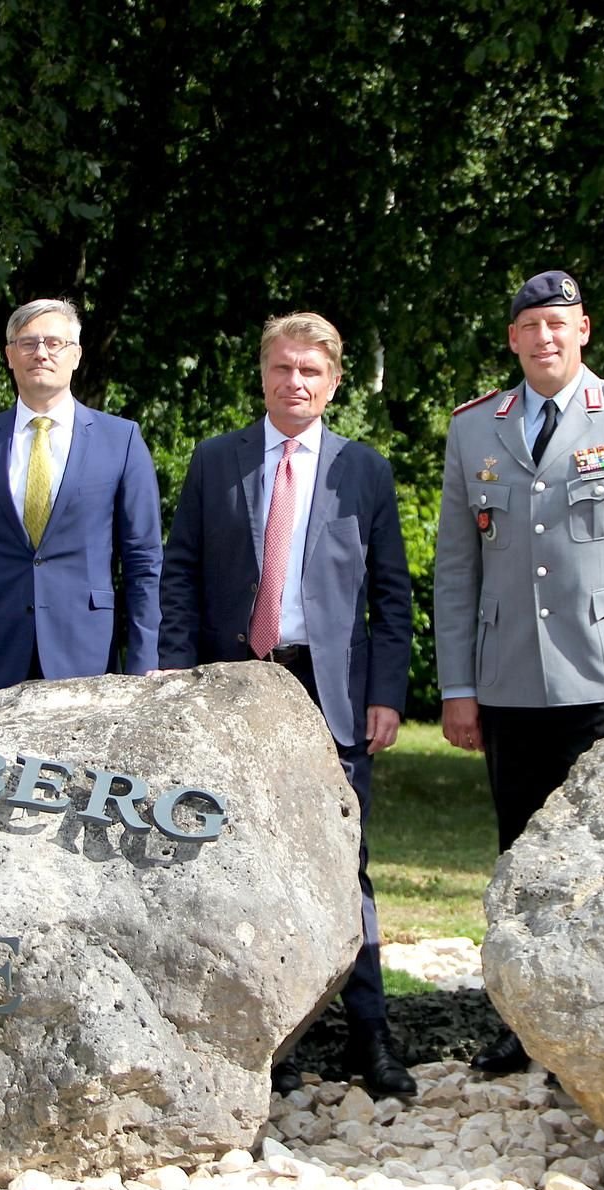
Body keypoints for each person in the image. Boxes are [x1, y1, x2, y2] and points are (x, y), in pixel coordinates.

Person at [434, 270, 604, 1073]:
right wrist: (457, 685)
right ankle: (523, 1025)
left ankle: (602, 1029)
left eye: (560, 323)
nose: (545, 337)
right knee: (520, 859)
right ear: (513, 338)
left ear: (583, 330)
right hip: (509, 678)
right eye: (531, 326)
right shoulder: (474, 428)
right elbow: (456, 569)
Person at [159, 312, 416, 1098]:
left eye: (310, 370)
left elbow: (392, 596)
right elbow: (180, 573)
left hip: (330, 693)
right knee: (234, 860)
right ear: (263, 374)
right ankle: (268, 1040)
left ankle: (369, 1034)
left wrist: (386, 695)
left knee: (346, 865)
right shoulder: (217, 460)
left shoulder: (364, 470)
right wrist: (177, 681)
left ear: (333, 382)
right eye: (282, 367)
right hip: (233, 688)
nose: (294, 382)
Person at [0, 300, 162, 687]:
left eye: (54, 343)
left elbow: (144, 563)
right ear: (9, 355)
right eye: (28, 343)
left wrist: (144, 668)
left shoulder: (121, 440)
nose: (41, 353)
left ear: (76, 355)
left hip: (87, 658)